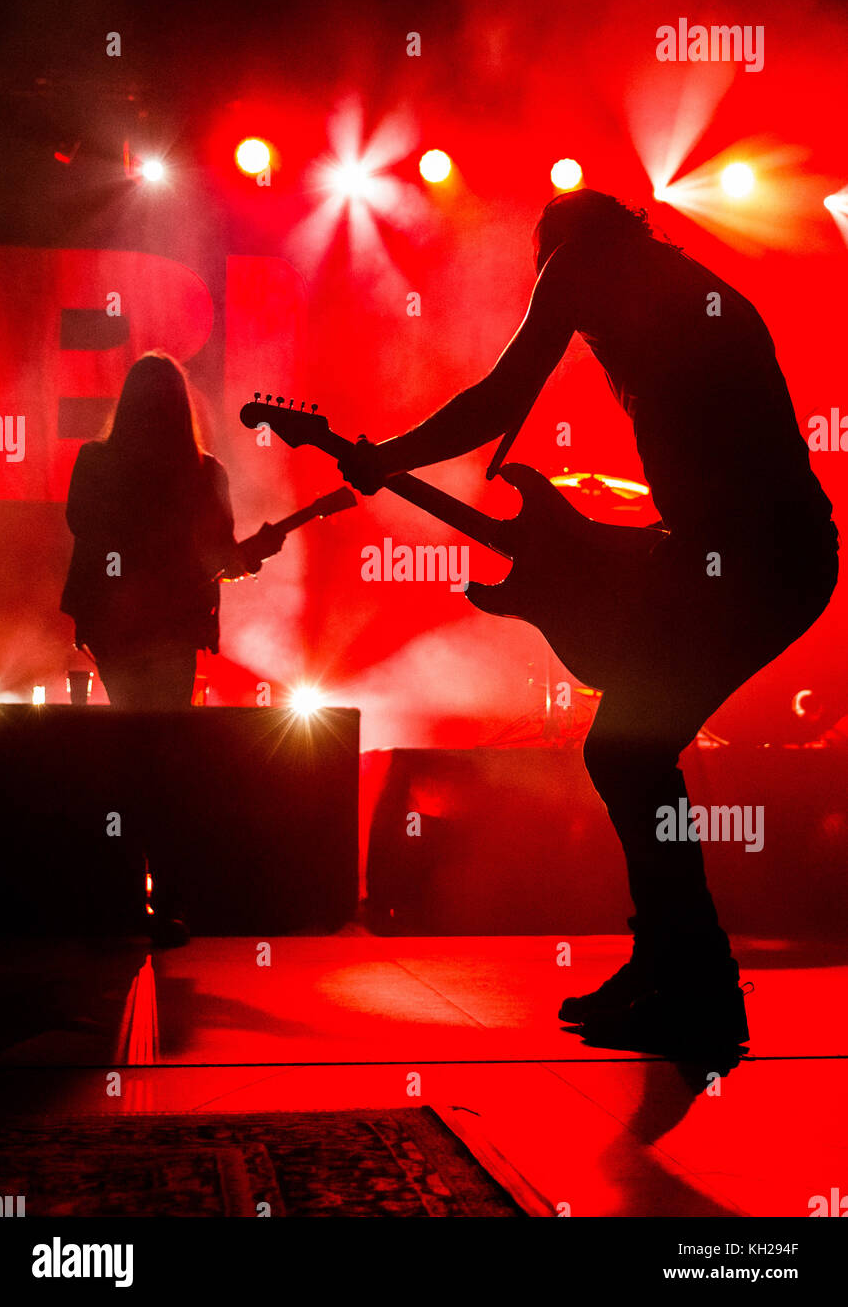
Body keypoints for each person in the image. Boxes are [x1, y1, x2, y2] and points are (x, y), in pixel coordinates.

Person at [339, 189, 838, 1054]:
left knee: (627, 752)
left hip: (759, 561)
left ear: (563, 253)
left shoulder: (582, 267)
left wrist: (389, 457)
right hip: (770, 557)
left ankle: (700, 981)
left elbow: (500, 396)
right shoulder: (680, 288)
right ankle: (670, 964)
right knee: (633, 753)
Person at [61, 350, 282, 708]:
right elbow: (219, 561)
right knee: (166, 731)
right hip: (174, 627)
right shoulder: (205, 473)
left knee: (128, 724)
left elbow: (83, 526)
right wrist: (256, 553)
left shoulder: (95, 461)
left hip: (114, 624)